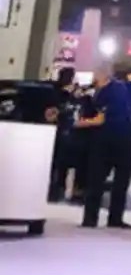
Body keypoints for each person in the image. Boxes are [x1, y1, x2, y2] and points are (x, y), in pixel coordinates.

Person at [79, 62, 131, 230]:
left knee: (112, 180)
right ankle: (98, 218)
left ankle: (104, 218)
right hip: (108, 139)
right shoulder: (98, 91)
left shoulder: (114, 90)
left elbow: (101, 118)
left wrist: (81, 123)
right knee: (99, 179)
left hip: (117, 139)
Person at [46, 67, 81, 203]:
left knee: (59, 164)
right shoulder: (60, 94)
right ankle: (55, 190)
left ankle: (56, 190)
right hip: (61, 131)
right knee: (59, 163)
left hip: (63, 131)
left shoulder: (62, 93)